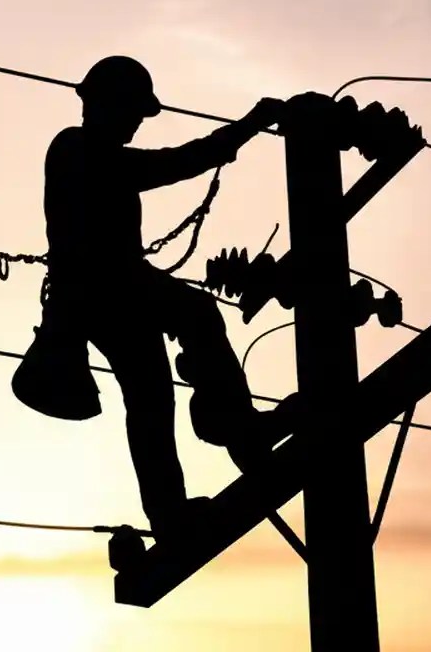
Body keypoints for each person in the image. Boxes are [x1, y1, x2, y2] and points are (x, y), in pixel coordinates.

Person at [33, 55, 289, 538]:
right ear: (108, 105)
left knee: (151, 394)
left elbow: (167, 165)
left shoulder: (89, 152)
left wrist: (234, 138)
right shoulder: (77, 148)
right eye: (132, 113)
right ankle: (234, 430)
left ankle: (177, 501)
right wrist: (247, 128)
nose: (135, 124)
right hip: (106, 288)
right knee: (195, 318)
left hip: (110, 292)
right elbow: (173, 164)